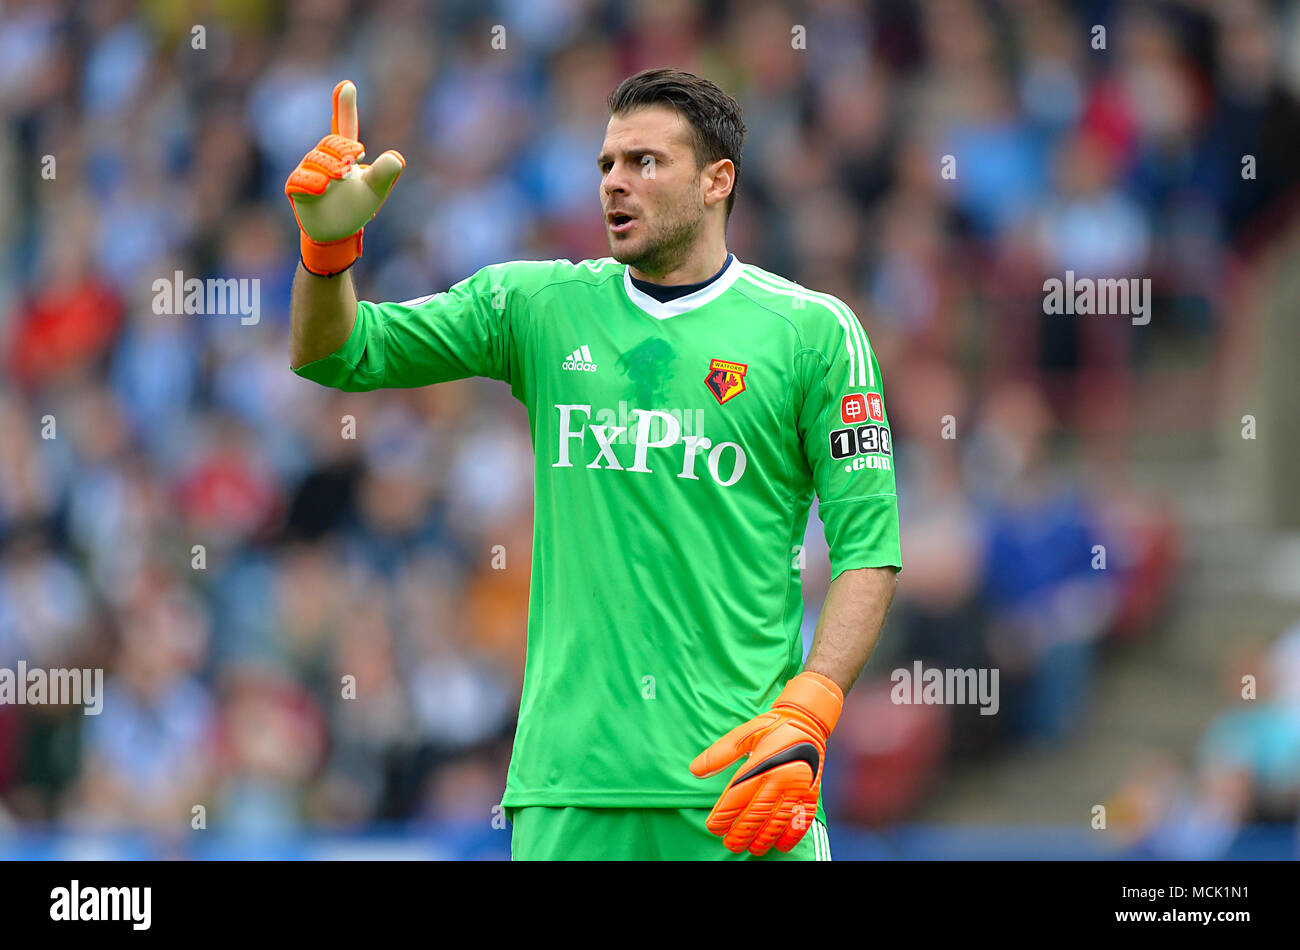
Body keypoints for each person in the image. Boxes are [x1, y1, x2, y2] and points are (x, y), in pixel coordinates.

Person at [285, 67, 901, 860]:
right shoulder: (537, 305)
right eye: (607, 164)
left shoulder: (811, 333)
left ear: (718, 181)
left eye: (646, 162)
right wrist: (328, 251)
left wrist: (810, 709)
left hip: (745, 781)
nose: (616, 182)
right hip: (568, 789)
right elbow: (335, 353)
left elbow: (869, 550)